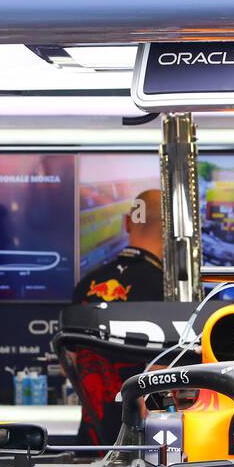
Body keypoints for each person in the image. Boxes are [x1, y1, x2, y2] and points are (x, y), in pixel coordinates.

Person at [68, 189, 165, 445]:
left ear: (127, 222)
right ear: (169, 229)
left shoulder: (86, 285)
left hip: (93, 439)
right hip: (149, 439)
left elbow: (72, 360)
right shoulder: (168, 289)